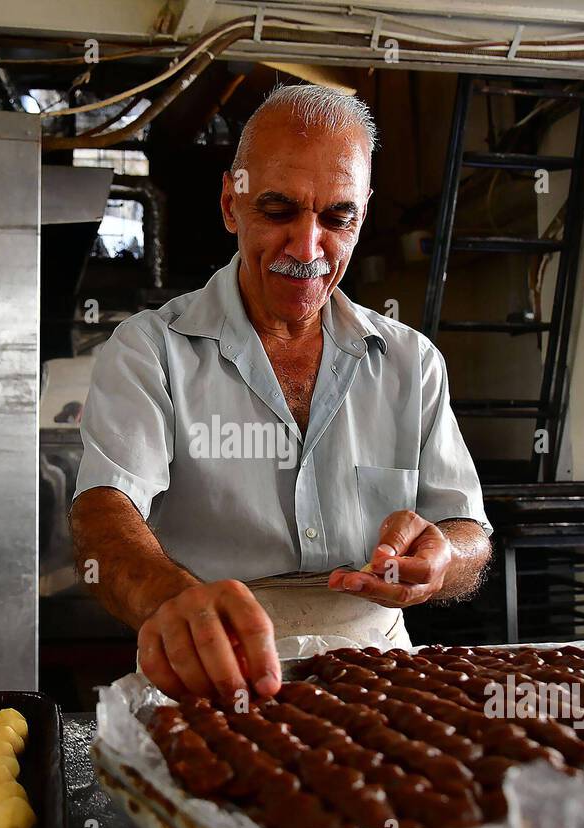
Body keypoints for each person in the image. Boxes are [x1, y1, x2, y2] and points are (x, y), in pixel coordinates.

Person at [69, 84, 491, 702]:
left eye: (336, 218)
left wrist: (440, 558)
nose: (307, 248)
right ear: (229, 204)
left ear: (362, 216)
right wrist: (176, 603)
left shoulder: (411, 362)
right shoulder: (150, 349)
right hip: (214, 668)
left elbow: (469, 532)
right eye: (278, 211)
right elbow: (103, 514)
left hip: (380, 675)